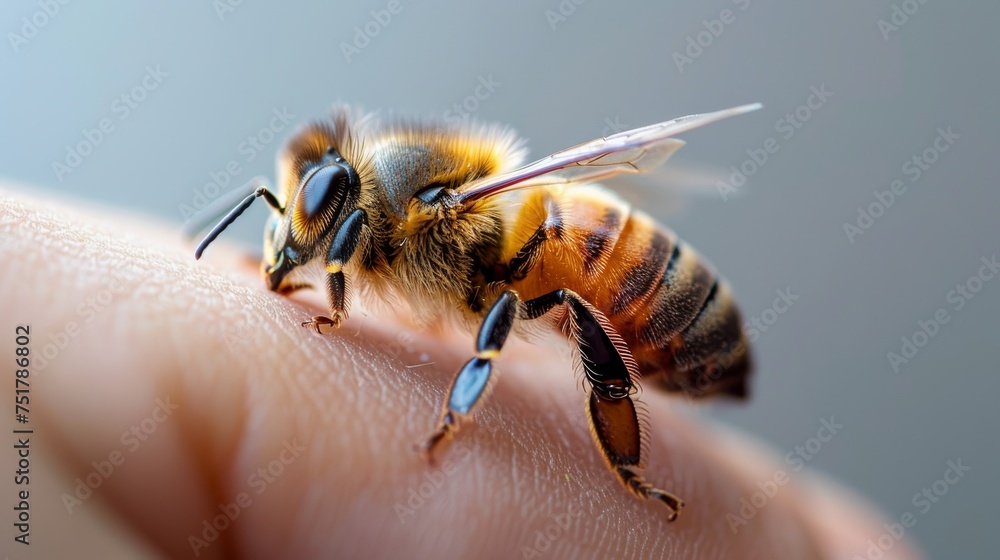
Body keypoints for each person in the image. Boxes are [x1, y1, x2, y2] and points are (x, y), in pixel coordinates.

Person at [1, 188, 922, 559]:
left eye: (319, 220)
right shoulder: (387, 224)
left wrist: (458, 391)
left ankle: (627, 469)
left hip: (626, 278)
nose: (309, 233)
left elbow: (495, 313)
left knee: (559, 304)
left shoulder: (420, 216)